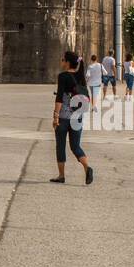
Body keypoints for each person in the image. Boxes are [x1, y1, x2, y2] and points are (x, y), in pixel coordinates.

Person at [50, 51, 94, 185]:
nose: (61, 61)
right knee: (75, 146)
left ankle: (61, 176)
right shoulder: (81, 76)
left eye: (63, 59)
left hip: (63, 117)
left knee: (61, 146)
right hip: (77, 116)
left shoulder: (63, 76)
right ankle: (87, 168)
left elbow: (59, 99)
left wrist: (55, 116)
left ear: (68, 62)